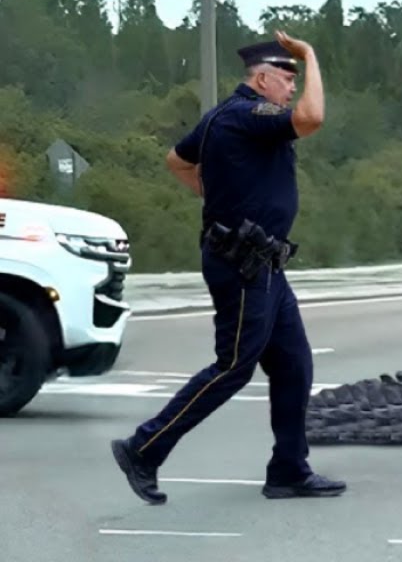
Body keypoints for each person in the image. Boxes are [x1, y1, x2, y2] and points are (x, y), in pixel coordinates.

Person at [111, 31, 345, 504]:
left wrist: (216, 191)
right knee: (232, 367)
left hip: (265, 265)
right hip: (243, 266)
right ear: (261, 79)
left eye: (294, 78)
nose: (290, 89)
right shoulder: (249, 115)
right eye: (285, 78)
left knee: (294, 364)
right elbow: (313, 117)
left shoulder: (223, 117)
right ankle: (144, 448)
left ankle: (288, 470)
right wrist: (313, 53)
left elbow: (176, 159)